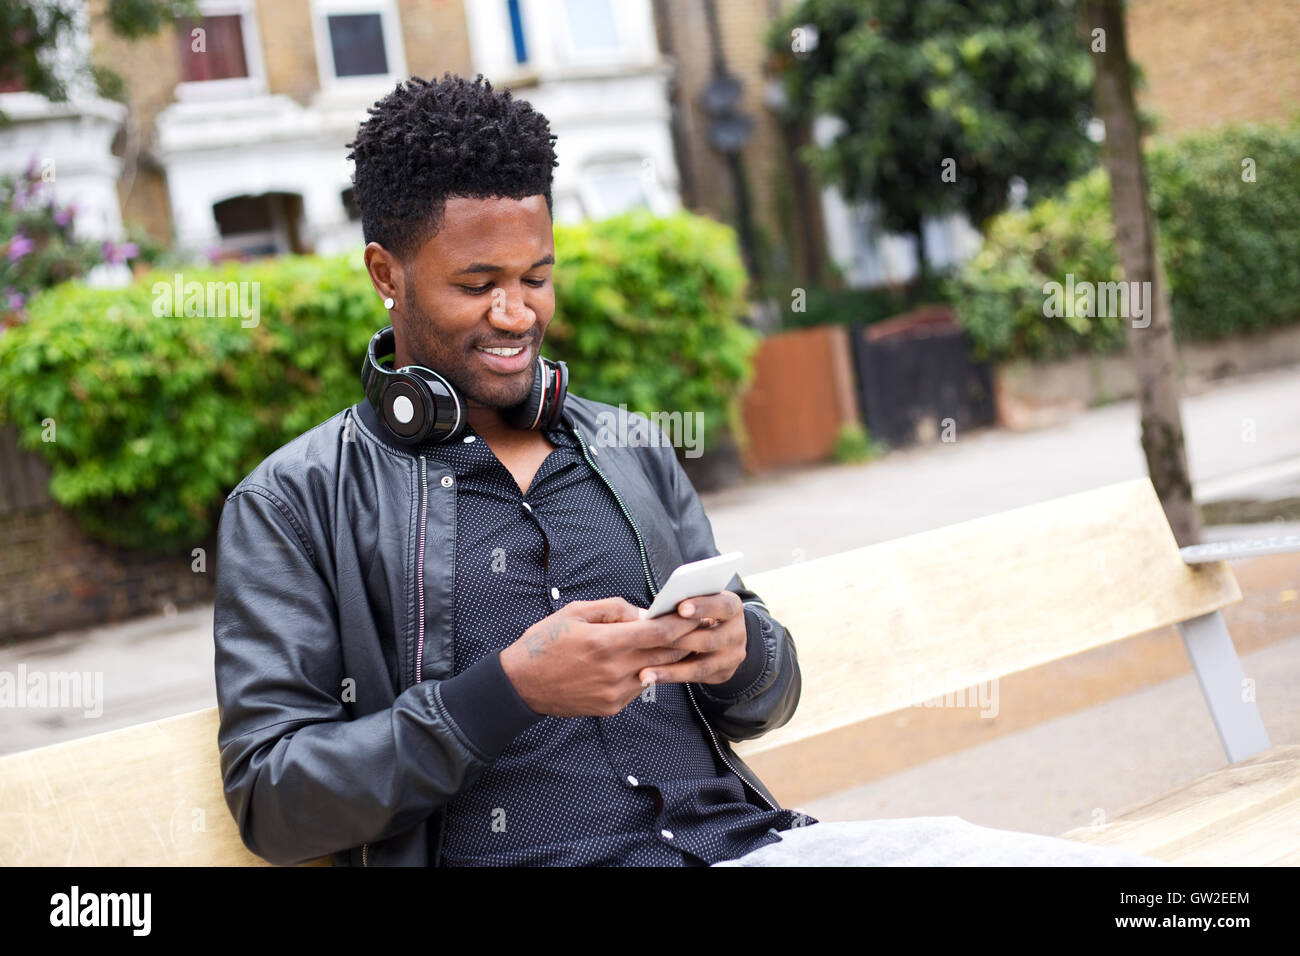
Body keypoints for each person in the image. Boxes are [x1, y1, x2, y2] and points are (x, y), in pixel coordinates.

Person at [213, 73, 1163, 868]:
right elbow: (274, 799)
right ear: (387, 272)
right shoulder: (293, 504)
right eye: (477, 285)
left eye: (535, 277)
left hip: (749, 848)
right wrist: (505, 692)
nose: (515, 314)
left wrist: (740, 650)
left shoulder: (624, 447)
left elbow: (766, 694)